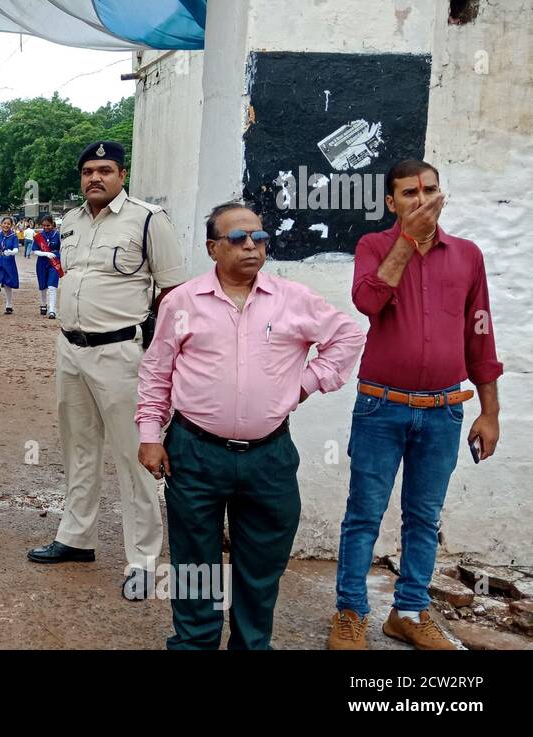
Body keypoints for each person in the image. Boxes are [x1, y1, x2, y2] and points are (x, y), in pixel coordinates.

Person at [137, 201, 364, 649]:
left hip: (269, 456)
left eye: (258, 238)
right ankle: (195, 642)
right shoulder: (181, 302)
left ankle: (251, 643)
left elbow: (348, 335)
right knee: (194, 564)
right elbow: (156, 370)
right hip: (195, 450)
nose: (250, 247)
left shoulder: (292, 299)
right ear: (212, 248)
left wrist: (306, 383)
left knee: (261, 564)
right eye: (237, 239)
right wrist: (149, 435)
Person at [328, 160, 504, 651]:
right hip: (381, 407)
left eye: (429, 190)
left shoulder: (467, 255)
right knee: (363, 513)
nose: (421, 199)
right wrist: (408, 239)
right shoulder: (374, 247)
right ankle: (350, 613)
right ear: (391, 202)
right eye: (409, 193)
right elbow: (368, 301)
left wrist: (490, 412)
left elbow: (480, 335)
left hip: (444, 410)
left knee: (424, 516)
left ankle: (407, 612)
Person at [26, 140, 186, 601]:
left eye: (105, 170)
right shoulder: (70, 223)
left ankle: (142, 561)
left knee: (134, 456)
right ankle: (76, 538)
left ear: (122, 174)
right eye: (88, 171)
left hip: (120, 353)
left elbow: (173, 292)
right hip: (70, 349)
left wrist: (158, 354)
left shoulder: (149, 219)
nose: (95, 178)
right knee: (78, 447)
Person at [30, 214, 63, 319]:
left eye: (48, 225)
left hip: (54, 263)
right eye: (44, 225)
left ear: (52, 224)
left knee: (52, 286)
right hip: (42, 263)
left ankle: (52, 309)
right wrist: (45, 254)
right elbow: (35, 250)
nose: (46, 227)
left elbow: (62, 248)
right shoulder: (39, 236)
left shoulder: (58, 235)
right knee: (43, 286)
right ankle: (43, 304)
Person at [0, 216, 20, 316]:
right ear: (1, 224)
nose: (6, 225)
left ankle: (9, 305)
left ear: (11, 225)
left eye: (8, 224)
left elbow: (16, 250)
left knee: (7, 284)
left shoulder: (14, 237)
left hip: (8, 262)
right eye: (4, 223)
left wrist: (11, 252)